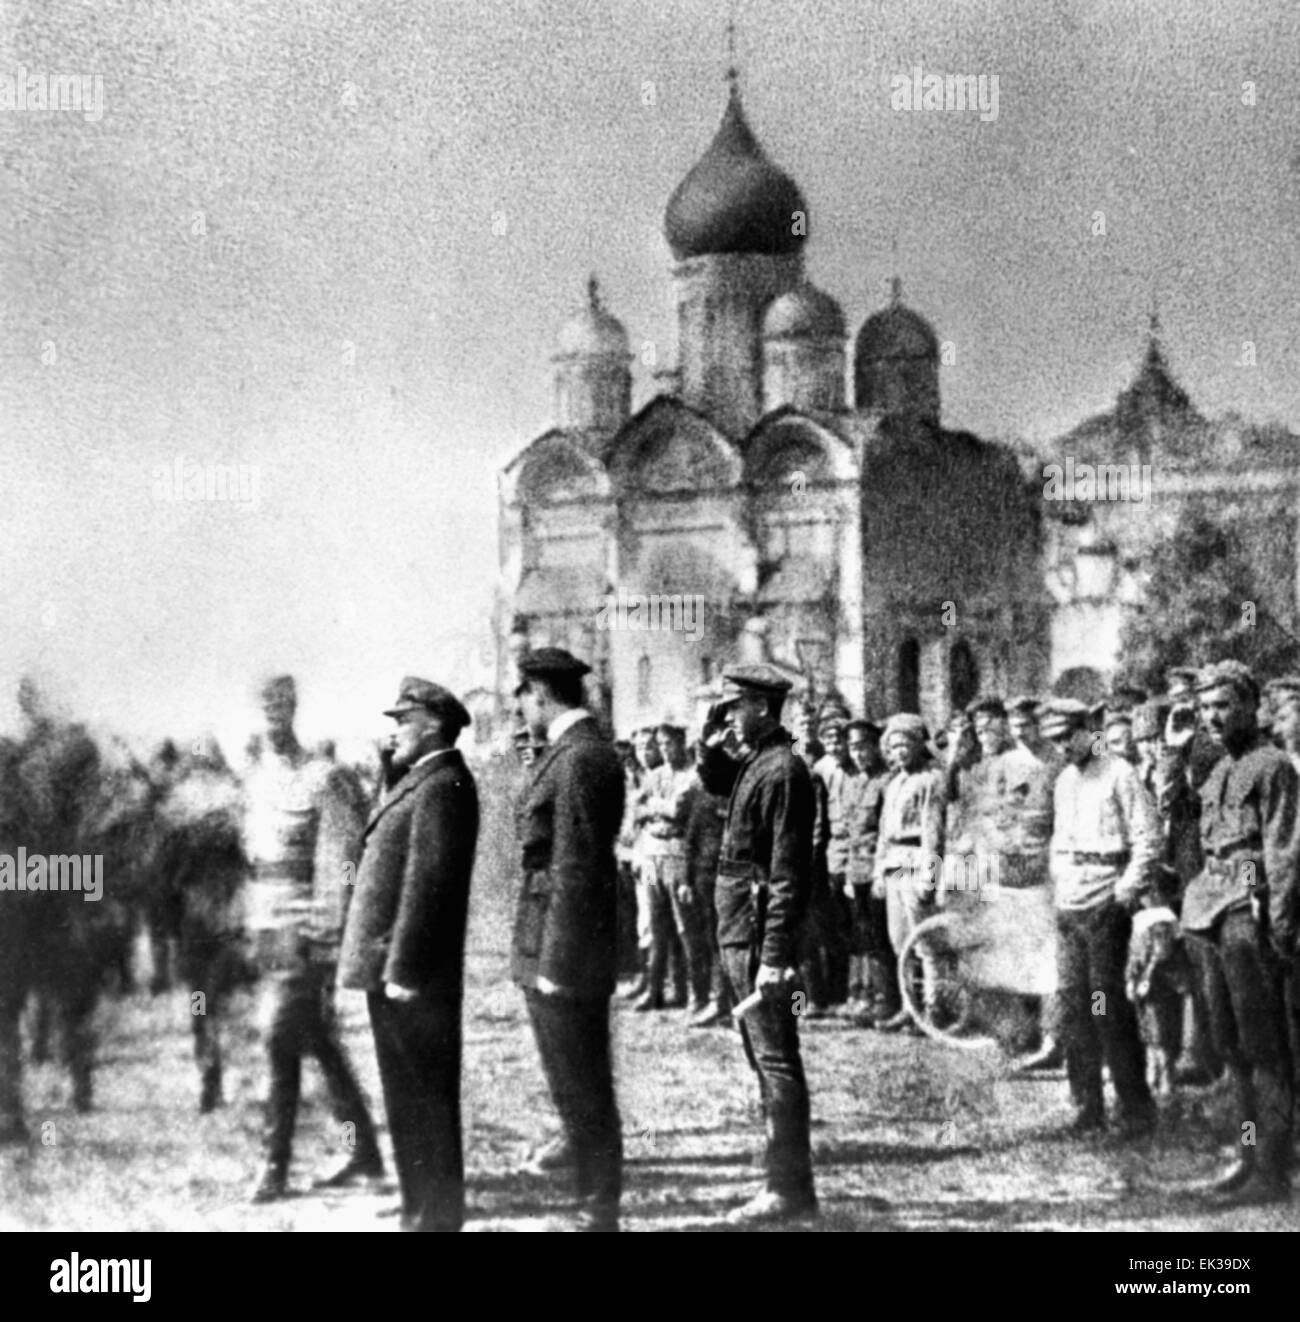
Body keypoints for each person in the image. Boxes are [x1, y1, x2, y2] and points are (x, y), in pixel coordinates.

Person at [338, 677, 479, 1232]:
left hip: (412, 977)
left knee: (424, 1103)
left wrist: (404, 969)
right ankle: (418, 1213)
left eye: (402, 722)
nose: (392, 732)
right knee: (407, 1103)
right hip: (395, 974)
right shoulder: (422, 780)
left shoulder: (443, 786)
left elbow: (430, 886)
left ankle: (435, 1218)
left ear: (434, 726)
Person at [242, 674, 383, 1203]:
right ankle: (364, 1147)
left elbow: (340, 865)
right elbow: (253, 861)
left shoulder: (325, 778)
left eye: (278, 708)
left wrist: (326, 938)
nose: (270, 718)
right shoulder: (256, 780)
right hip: (268, 928)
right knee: (315, 1040)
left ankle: (272, 1163)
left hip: (304, 932)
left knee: (277, 1038)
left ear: (293, 709)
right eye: (262, 709)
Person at [697, 664, 819, 1224]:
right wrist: (708, 743)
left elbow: (789, 873)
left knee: (775, 1059)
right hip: (739, 928)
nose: (727, 715)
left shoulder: (784, 771)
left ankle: (788, 1190)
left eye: (733, 706)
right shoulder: (759, 765)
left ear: (763, 709)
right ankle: (782, 1178)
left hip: (755, 933)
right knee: (763, 1057)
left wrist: (774, 958)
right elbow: (719, 782)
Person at [512, 647, 626, 1232]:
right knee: (571, 1074)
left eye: (523, 696)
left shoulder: (579, 757)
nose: (521, 708)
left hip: (565, 942)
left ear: (539, 693)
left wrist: (557, 956)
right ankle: (591, 1194)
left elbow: (578, 864)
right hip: (551, 936)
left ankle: (598, 1202)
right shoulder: (571, 752)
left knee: (581, 1078)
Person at [1178, 661, 1298, 1206]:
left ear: (1251, 706)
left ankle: (1272, 1168)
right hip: (1207, 909)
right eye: (1205, 709)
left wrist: (1278, 926)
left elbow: (1282, 851)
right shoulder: (1216, 769)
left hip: (1247, 914)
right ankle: (1246, 1154)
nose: (1212, 717)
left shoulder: (1273, 766)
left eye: (1222, 705)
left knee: (1263, 1046)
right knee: (1231, 1046)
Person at [1042, 698, 1159, 1138]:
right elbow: (1058, 841)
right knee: (1074, 1007)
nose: (1062, 748)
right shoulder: (1065, 782)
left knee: (1106, 1005)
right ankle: (1087, 1106)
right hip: (1070, 902)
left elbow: (1148, 838)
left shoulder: (1121, 774)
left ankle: (1135, 1108)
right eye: (1053, 741)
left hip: (1106, 899)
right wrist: (1059, 884)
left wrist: (1126, 890)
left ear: (1088, 729)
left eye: (1066, 737)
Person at [874, 713, 946, 1034]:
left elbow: (934, 832)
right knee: (899, 941)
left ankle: (933, 1008)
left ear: (919, 746)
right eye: (894, 745)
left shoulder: (930, 780)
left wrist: (929, 877)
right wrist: (879, 871)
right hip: (894, 862)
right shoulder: (894, 784)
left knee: (924, 941)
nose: (900, 751)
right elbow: (883, 833)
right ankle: (909, 1006)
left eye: (906, 744)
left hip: (916, 861)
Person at [634, 724, 712, 1016]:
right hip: (652, 855)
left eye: (670, 744)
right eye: (661, 745)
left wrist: (655, 808)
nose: (665, 750)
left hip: (677, 857)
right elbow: (639, 811)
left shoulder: (692, 777)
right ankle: (656, 990)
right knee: (656, 925)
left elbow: (679, 811)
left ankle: (697, 994)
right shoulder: (654, 775)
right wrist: (657, 809)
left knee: (685, 928)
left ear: (682, 744)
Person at [840, 719, 894, 1025]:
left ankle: (885, 999)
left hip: (877, 870)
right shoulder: (852, 783)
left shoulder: (886, 782)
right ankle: (863, 995)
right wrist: (849, 875)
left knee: (880, 937)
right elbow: (850, 833)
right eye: (853, 747)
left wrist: (879, 873)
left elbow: (884, 832)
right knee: (860, 936)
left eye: (863, 746)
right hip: (856, 871)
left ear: (875, 747)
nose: (858, 753)